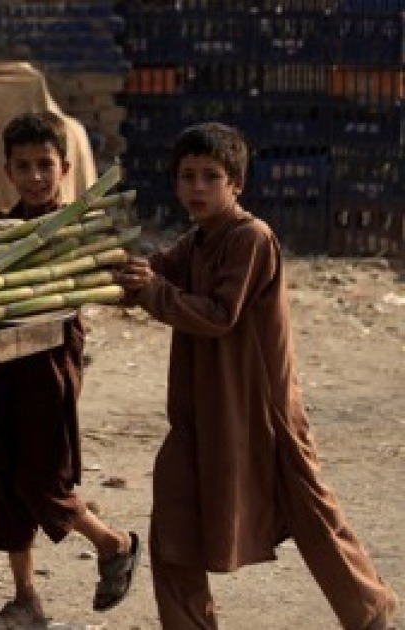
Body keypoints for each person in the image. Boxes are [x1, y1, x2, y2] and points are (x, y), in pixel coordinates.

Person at [117, 121, 398, 629]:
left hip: (261, 412)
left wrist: (152, 292)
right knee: (173, 517)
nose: (198, 188)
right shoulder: (199, 241)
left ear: (236, 184)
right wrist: (121, 272)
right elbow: (160, 267)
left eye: (211, 177)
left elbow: (218, 314)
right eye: (187, 177)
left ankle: (369, 610)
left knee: (313, 517)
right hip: (203, 413)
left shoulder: (251, 238)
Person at [0, 112, 140, 629]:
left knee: (41, 478)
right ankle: (26, 601)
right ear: (8, 171)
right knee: (3, 479)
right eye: (23, 167)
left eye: (45, 165)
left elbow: (115, 279)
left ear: (65, 167)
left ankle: (114, 543)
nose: (35, 177)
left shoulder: (80, 230)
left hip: (47, 368)